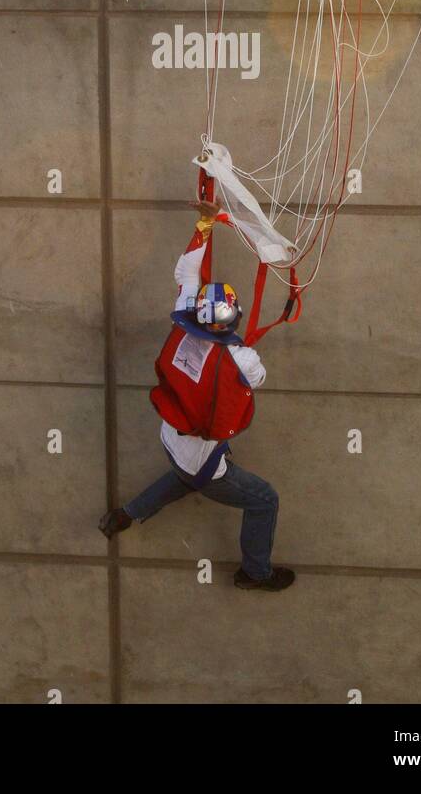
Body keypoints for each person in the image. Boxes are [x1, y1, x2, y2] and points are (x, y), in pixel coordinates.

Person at [99, 197, 295, 591]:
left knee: (183, 475)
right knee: (263, 499)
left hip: (172, 435)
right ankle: (255, 573)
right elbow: (257, 379)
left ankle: (126, 514)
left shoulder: (185, 319)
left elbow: (186, 271)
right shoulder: (242, 359)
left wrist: (204, 225)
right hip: (202, 458)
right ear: (234, 317)